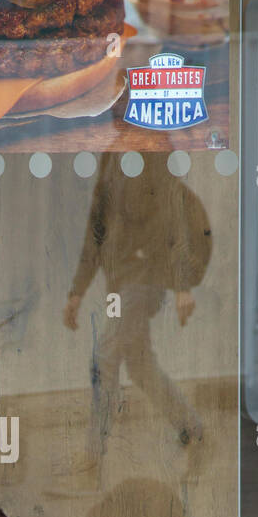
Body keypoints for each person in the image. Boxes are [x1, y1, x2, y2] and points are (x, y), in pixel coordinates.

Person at [63, 155, 213, 461]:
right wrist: (77, 292)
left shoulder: (151, 158)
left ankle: (92, 458)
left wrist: (183, 285)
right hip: (120, 283)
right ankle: (192, 428)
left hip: (145, 278)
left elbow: (175, 222)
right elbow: (95, 235)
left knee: (105, 357)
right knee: (140, 365)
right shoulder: (109, 163)